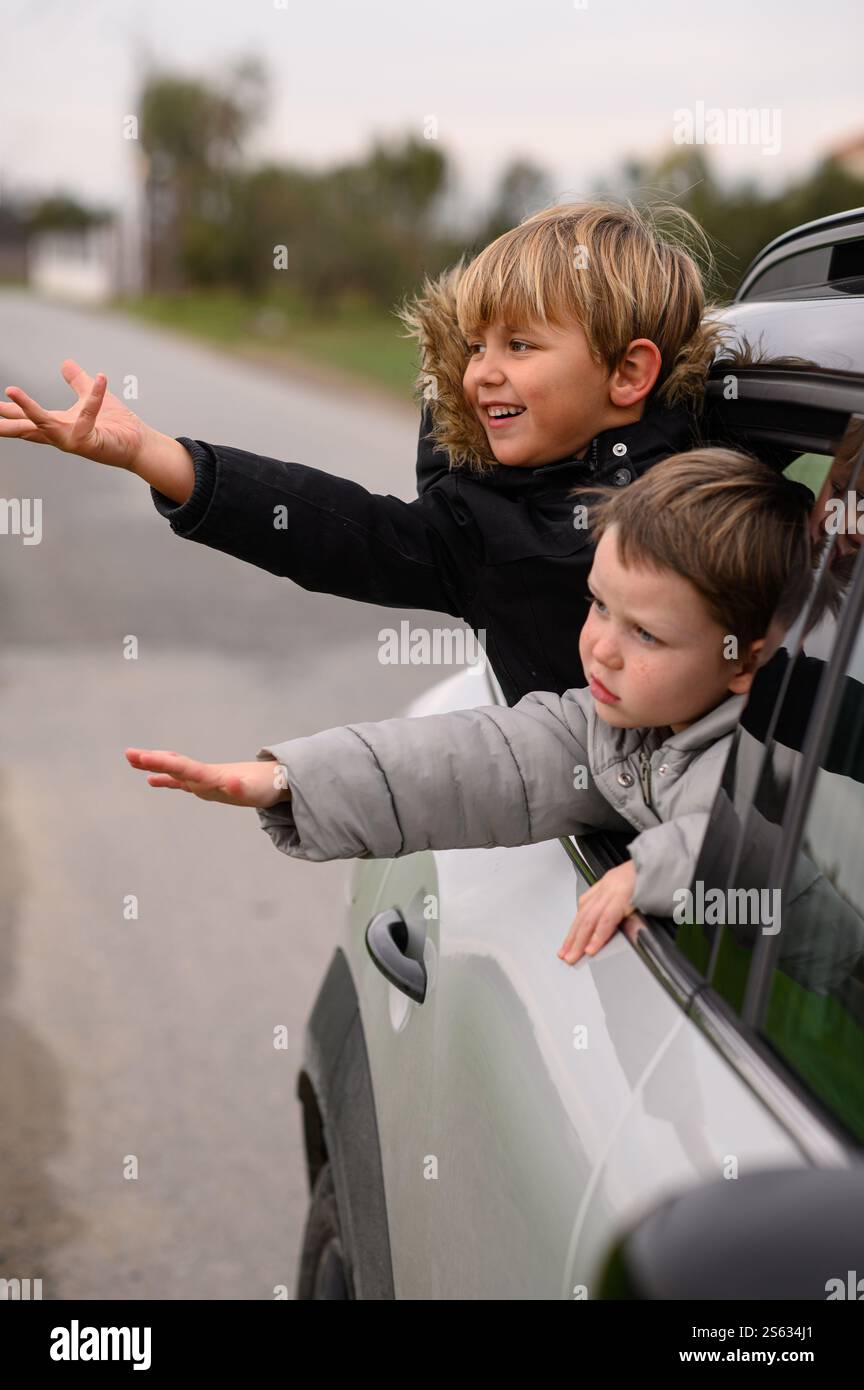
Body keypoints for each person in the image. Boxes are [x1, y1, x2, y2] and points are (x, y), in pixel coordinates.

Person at [0, 200, 725, 704]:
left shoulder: (729, 490)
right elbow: (344, 531)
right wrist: (153, 454)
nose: (482, 373)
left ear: (630, 373)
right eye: (474, 347)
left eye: (521, 345)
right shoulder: (480, 534)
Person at [123, 448, 817, 964]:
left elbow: (782, 863)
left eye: (645, 633)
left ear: (746, 660)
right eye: (600, 605)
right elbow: (478, 762)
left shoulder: (766, 759)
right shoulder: (614, 728)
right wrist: (287, 779)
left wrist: (650, 869)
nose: (601, 648)